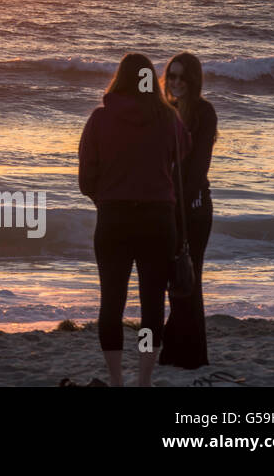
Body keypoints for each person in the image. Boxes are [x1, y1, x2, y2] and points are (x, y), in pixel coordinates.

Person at [78, 52, 187, 386]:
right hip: (157, 220)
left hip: (114, 220)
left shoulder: (99, 119)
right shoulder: (168, 119)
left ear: (119, 79)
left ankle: (116, 380)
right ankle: (144, 379)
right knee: (152, 304)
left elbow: (85, 180)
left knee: (112, 302)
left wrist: (107, 199)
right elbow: (182, 153)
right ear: (150, 81)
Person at [159, 52, 217, 369]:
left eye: (182, 77)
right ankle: (176, 352)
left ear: (192, 80)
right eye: (172, 76)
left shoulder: (204, 113)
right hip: (169, 206)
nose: (176, 82)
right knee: (176, 282)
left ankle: (193, 356)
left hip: (194, 209)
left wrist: (178, 206)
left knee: (189, 279)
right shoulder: (166, 111)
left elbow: (197, 169)